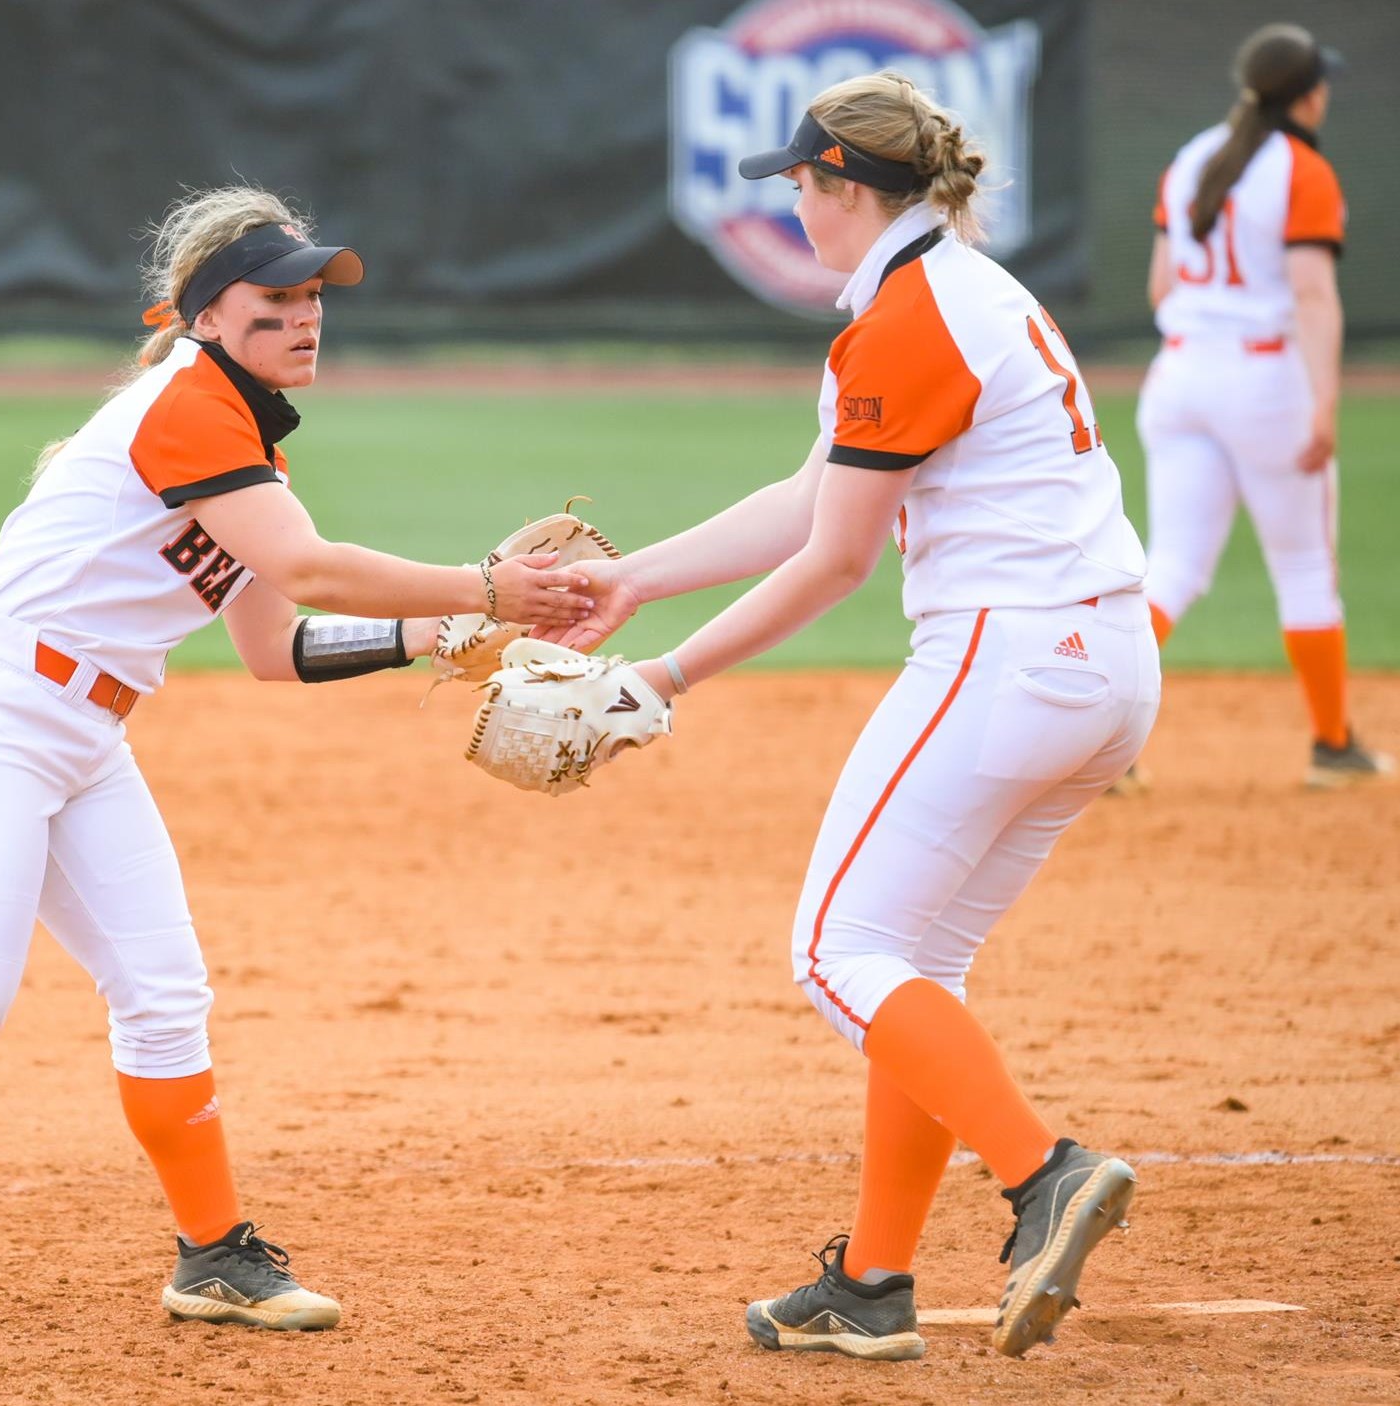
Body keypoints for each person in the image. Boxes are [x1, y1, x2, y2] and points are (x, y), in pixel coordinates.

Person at [0, 186, 594, 1332]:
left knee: (164, 991)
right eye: (275, 297)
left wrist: (439, 636)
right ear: (203, 316)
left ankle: (212, 1256)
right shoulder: (183, 407)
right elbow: (322, 570)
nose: (305, 316)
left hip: (85, 733)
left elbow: (279, 646)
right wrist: (482, 587)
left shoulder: (248, 458)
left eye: (312, 298)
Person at [552, 74, 1154, 1360]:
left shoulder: (907, 316)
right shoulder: (958, 289)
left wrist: (663, 679)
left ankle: (1043, 1171)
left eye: (803, 186)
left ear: (840, 187)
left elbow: (833, 561)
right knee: (910, 966)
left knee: (834, 952)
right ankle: (873, 1285)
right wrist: (634, 577)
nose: (797, 207)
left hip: (1007, 660)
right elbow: (813, 492)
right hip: (1100, 666)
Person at [1137, 23, 1391, 788]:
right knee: (1306, 569)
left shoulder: (1191, 160)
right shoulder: (1302, 171)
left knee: (1171, 568)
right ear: (1308, 94)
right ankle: (1332, 746)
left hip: (1178, 376)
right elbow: (1313, 296)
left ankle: (1093, 743)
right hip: (1264, 381)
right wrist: (1325, 404)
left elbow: (1160, 290)